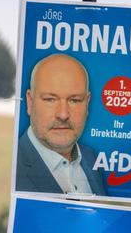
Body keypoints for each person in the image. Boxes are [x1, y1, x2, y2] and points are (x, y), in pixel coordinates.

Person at [15, 53, 106, 196]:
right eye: (50, 100)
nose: (63, 114)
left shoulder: (92, 159)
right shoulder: (12, 165)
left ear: (87, 103)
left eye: (74, 100)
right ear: (30, 101)